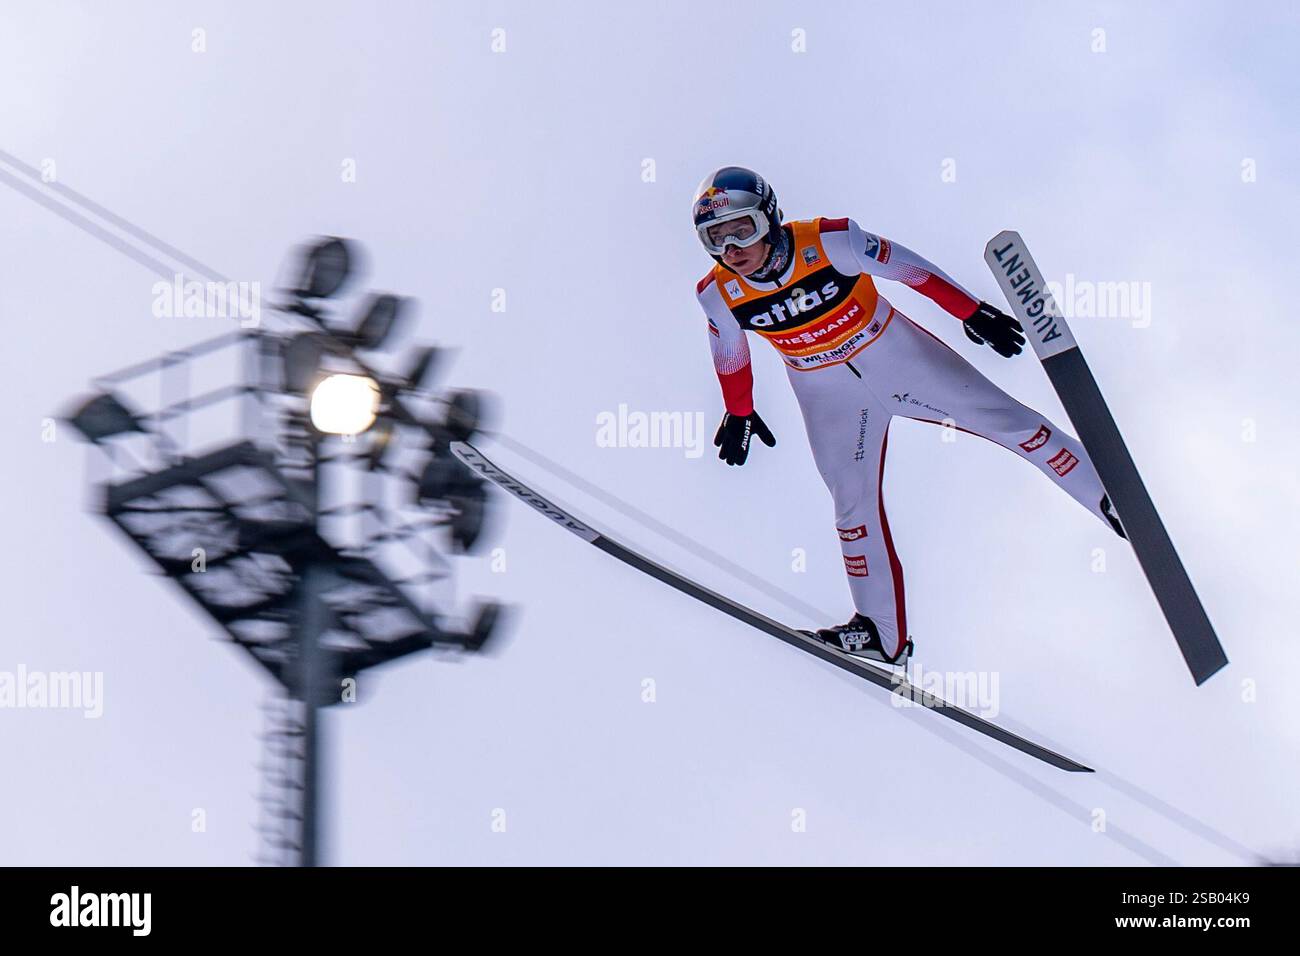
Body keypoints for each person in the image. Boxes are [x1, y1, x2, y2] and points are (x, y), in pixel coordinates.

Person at [692, 166, 1124, 664]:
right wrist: (739, 412)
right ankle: (881, 632)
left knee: (1012, 423)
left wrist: (970, 311)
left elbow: (908, 269)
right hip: (826, 394)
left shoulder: (830, 241)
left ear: (769, 216)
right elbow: (729, 351)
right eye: (715, 239)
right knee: (851, 507)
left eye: (741, 230)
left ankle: (1110, 498)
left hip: (896, 357)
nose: (731, 250)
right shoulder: (717, 291)